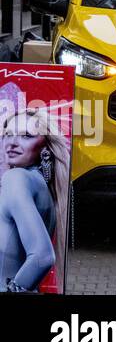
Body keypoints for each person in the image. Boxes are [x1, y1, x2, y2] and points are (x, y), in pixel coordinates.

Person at [1, 107, 68, 293]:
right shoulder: (40, 185)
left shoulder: (16, 178)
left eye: (26, 136)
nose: (12, 143)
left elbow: (42, 257)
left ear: (45, 149)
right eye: (8, 134)